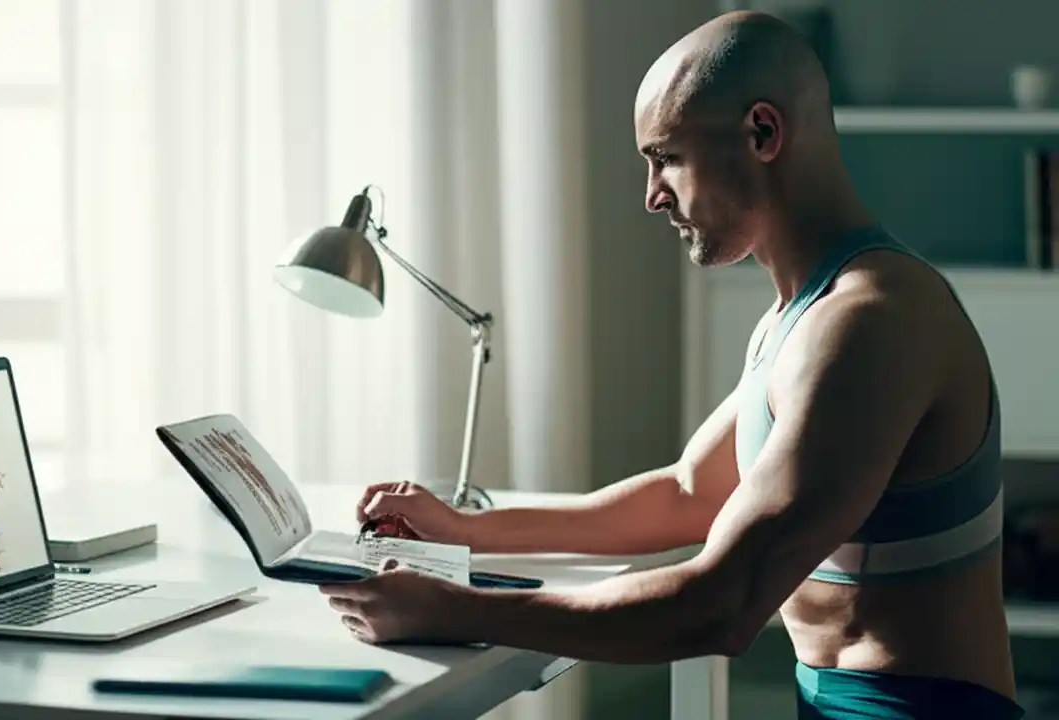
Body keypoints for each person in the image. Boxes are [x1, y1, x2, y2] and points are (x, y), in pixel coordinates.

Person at [319, 11, 1023, 719]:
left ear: (763, 134)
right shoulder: (795, 318)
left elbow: (724, 604)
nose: (652, 194)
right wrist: (466, 530)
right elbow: (689, 492)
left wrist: (458, 611)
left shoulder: (869, 321)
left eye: (666, 157)